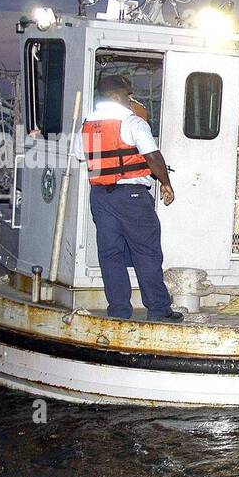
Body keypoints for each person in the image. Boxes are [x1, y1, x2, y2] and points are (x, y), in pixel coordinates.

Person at [81, 74, 182, 322]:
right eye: (128, 95)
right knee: (146, 253)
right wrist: (166, 184)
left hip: (100, 197)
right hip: (132, 197)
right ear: (118, 95)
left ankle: (118, 312)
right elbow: (152, 157)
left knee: (110, 255)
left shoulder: (88, 124)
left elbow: (88, 161)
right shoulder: (132, 122)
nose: (130, 100)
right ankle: (159, 310)